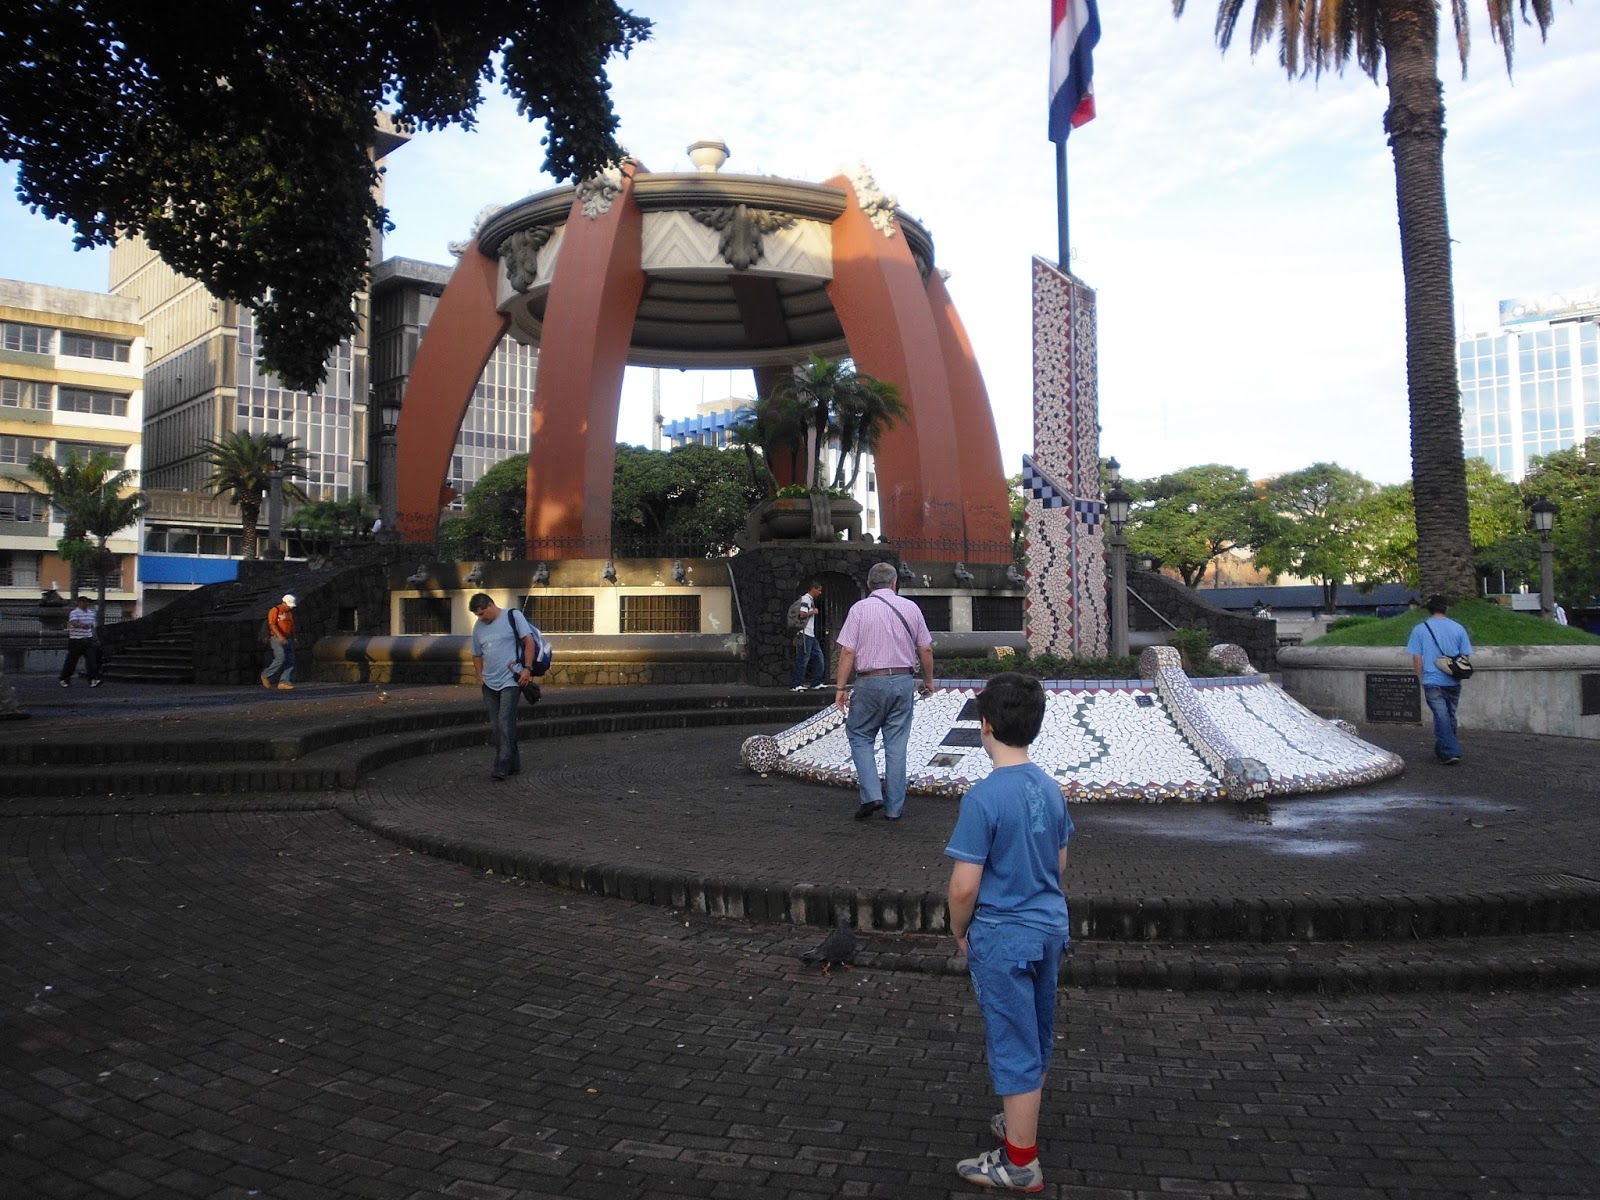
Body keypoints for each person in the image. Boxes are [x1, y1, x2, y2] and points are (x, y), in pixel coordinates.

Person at [944, 672, 1072, 1193]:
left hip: (1002, 936)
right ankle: (1019, 1121)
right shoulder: (1050, 787)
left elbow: (963, 888)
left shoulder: (983, 798)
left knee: (1011, 1041)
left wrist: (958, 930)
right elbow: (1059, 864)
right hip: (1049, 928)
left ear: (986, 726)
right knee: (1036, 1033)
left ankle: (1020, 1163)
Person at [833, 561, 935, 820]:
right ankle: (894, 809)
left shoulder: (859, 609)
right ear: (894, 584)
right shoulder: (911, 608)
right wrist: (929, 681)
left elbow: (847, 651)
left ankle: (871, 795)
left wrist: (840, 687)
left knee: (859, 734)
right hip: (903, 681)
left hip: (869, 682)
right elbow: (925, 649)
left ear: (869, 585)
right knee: (896, 744)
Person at [469, 592, 535, 782]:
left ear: (490, 605)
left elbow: (528, 641)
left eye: (482, 614)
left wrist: (527, 669)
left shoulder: (513, 616)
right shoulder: (478, 627)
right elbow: (476, 654)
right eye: (478, 616)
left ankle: (502, 764)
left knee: (505, 720)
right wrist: (479, 676)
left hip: (511, 678)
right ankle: (514, 763)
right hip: (489, 681)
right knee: (497, 724)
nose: (481, 618)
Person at [1406, 593, 1473, 765]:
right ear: (1446, 608)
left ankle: (1450, 751)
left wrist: (1421, 678)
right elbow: (1464, 655)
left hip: (1432, 679)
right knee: (1449, 715)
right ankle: (1443, 748)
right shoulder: (1458, 628)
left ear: (1428, 610)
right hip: (1453, 679)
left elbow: (1417, 658)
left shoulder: (1420, 629)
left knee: (1441, 715)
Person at [788, 580, 828, 692]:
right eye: (819, 590)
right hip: (805, 634)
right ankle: (795, 684)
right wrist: (813, 612)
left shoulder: (809, 599)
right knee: (802, 659)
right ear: (813, 589)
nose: (820, 593)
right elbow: (802, 614)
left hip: (810, 634)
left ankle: (816, 682)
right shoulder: (806, 599)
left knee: (818, 657)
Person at [58, 595, 102, 688]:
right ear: (79, 603)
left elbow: (93, 626)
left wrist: (96, 637)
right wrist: (81, 626)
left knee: (91, 660)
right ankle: (65, 678)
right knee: (72, 660)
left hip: (88, 639)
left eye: (87, 602)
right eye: (83, 602)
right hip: (76, 639)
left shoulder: (91, 613)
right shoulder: (74, 612)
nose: (85, 604)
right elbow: (73, 622)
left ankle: (93, 679)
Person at [261, 594, 298, 690]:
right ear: (284, 603)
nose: (290, 607)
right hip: (276, 638)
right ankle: (266, 674)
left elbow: (291, 626)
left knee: (290, 661)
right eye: (288, 605)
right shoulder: (275, 610)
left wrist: (294, 637)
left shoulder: (290, 613)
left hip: (288, 638)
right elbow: (272, 624)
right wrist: (280, 636)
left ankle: (284, 682)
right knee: (280, 658)